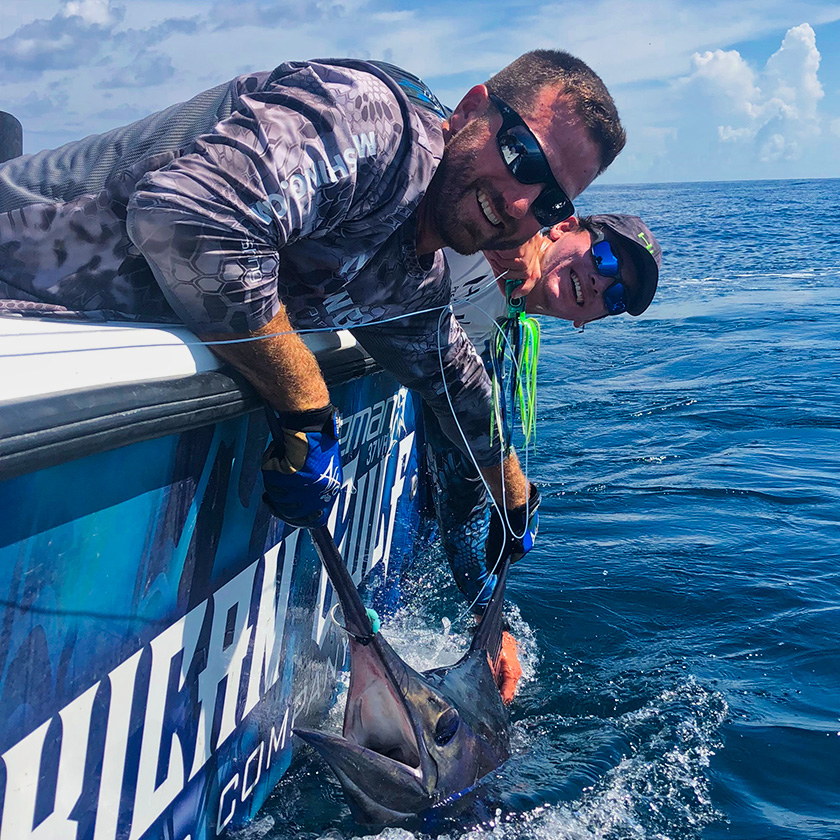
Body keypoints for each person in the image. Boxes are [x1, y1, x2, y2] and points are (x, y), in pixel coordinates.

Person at [0, 52, 625, 574]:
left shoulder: (411, 273)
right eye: (521, 156)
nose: (519, 202)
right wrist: (305, 406)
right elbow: (186, 217)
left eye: (549, 203)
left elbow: (455, 381)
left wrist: (511, 493)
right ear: (468, 110)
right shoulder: (377, 125)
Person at [434, 212, 662, 701]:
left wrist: (490, 622)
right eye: (604, 257)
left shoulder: (495, 325)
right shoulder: (491, 230)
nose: (601, 281)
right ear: (564, 226)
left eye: (615, 297)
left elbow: (463, 473)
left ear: (588, 321)